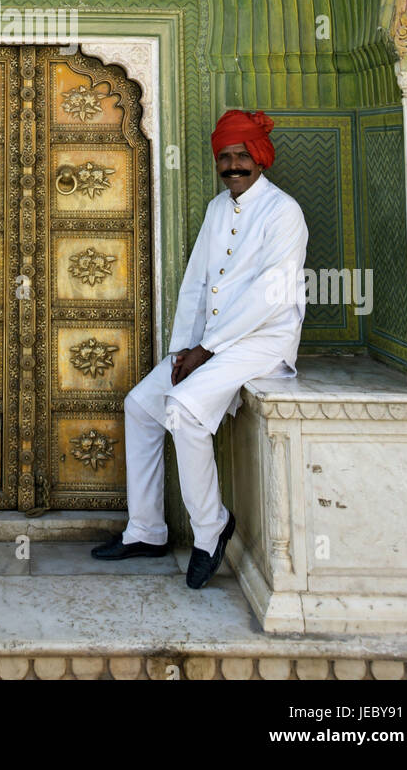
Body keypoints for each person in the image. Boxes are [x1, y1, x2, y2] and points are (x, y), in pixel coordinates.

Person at [92, 109, 308, 588]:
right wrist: (181, 351)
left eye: (241, 155)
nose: (233, 165)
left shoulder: (283, 212)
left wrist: (205, 351)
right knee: (141, 405)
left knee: (185, 412)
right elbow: (197, 285)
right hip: (209, 344)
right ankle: (147, 531)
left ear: (260, 157)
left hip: (262, 341)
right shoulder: (217, 209)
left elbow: (267, 296)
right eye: (225, 157)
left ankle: (212, 530)